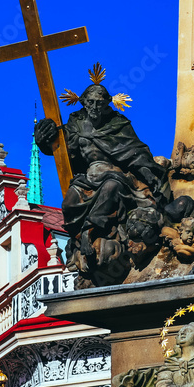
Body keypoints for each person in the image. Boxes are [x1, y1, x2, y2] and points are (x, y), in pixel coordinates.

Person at [35, 84, 166, 285]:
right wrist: (44, 136)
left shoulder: (118, 124)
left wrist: (150, 174)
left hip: (115, 174)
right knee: (68, 203)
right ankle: (79, 239)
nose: (95, 108)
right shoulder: (75, 125)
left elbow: (135, 152)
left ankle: (89, 233)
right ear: (83, 103)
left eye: (100, 103)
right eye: (90, 103)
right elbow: (57, 146)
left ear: (108, 104)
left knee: (111, 187)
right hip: (88, 177)